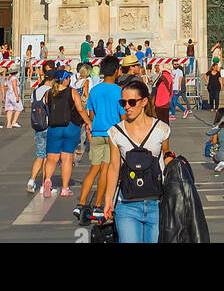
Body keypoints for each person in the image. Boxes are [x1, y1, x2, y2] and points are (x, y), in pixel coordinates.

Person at [103, 76, 171, 243]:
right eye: (123, 103)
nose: (127, 107)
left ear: (144, 102)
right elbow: (113, 167)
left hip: (156, 203)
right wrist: (108, 200)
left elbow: (167, 158)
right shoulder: (115, 132)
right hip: (126, 204)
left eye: (132, 102)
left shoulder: (162, 129)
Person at [77, 56, 121, 219]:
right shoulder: (119, 91)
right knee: (105, 170)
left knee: (93, 168)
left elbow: (91, 113)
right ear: (116, 71)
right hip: (112, 135)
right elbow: (123, 116)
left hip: (96, 133)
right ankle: (97, 205)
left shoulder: (95, 90)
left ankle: (81, 203)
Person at [42, 71, 88, 199]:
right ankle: (65, 188)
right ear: (65, 80)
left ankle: (47, 181)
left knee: (51, 158)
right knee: (67, 158)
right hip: (71, 127)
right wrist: (88, 122)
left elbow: (49, 107)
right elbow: (80, 109)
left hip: (54, 127)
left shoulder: (48, 93)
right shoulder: (72, 92)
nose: (69, 79)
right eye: (68, 77)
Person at [26, 64, 55, 193]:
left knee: (39, 155)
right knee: (48, 157)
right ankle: (44, 185)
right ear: (52, 80)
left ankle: (31, 181)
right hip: (48, 125)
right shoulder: (50, 91)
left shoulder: (36, 91)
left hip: (37, 125)